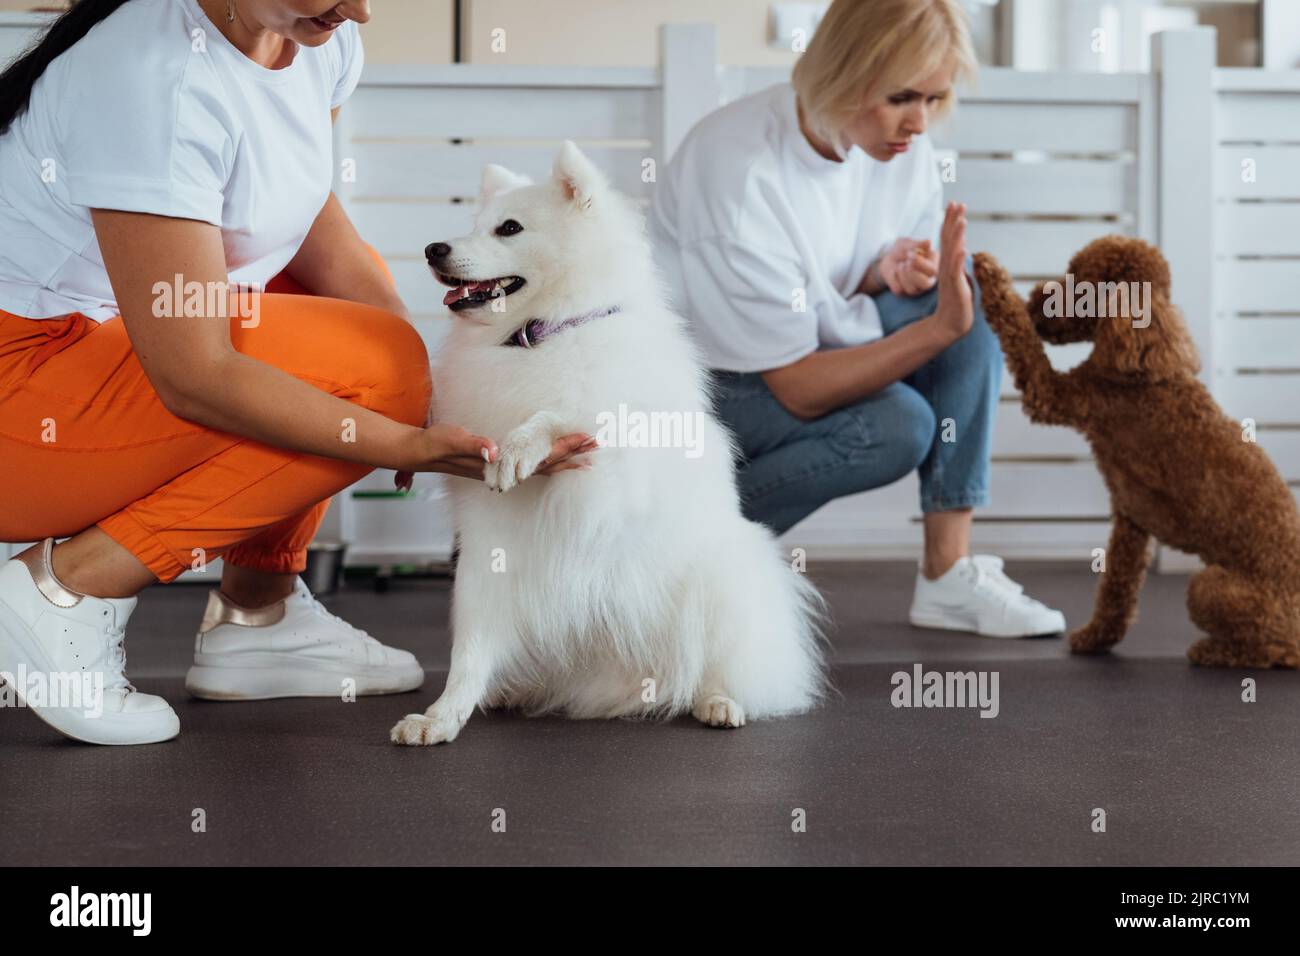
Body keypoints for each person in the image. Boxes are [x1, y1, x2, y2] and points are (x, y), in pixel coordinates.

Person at [0, 0, 593, 746]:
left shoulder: (314, 41)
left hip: (100, 350)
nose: (361, 10)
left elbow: (301, 215)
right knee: (372, 370)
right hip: (20, 394)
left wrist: (425, 396)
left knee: (371, 347)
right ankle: (61, 588)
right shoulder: (155, 82)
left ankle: (259, 615)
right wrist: (397, 434)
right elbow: (193, 375)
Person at [650, 0, 1066, 639]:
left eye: (934, 98)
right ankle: (673, 553)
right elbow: (799, 387)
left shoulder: (898, 146)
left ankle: (947, 576)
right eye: (902, 96)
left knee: (966, 290)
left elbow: (832, 277)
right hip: (705, 389)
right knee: (895, 427)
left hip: (798, 349)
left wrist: (886, 271)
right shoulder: (739, 168)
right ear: (842, 70)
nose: (920, 123)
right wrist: (934, 330)